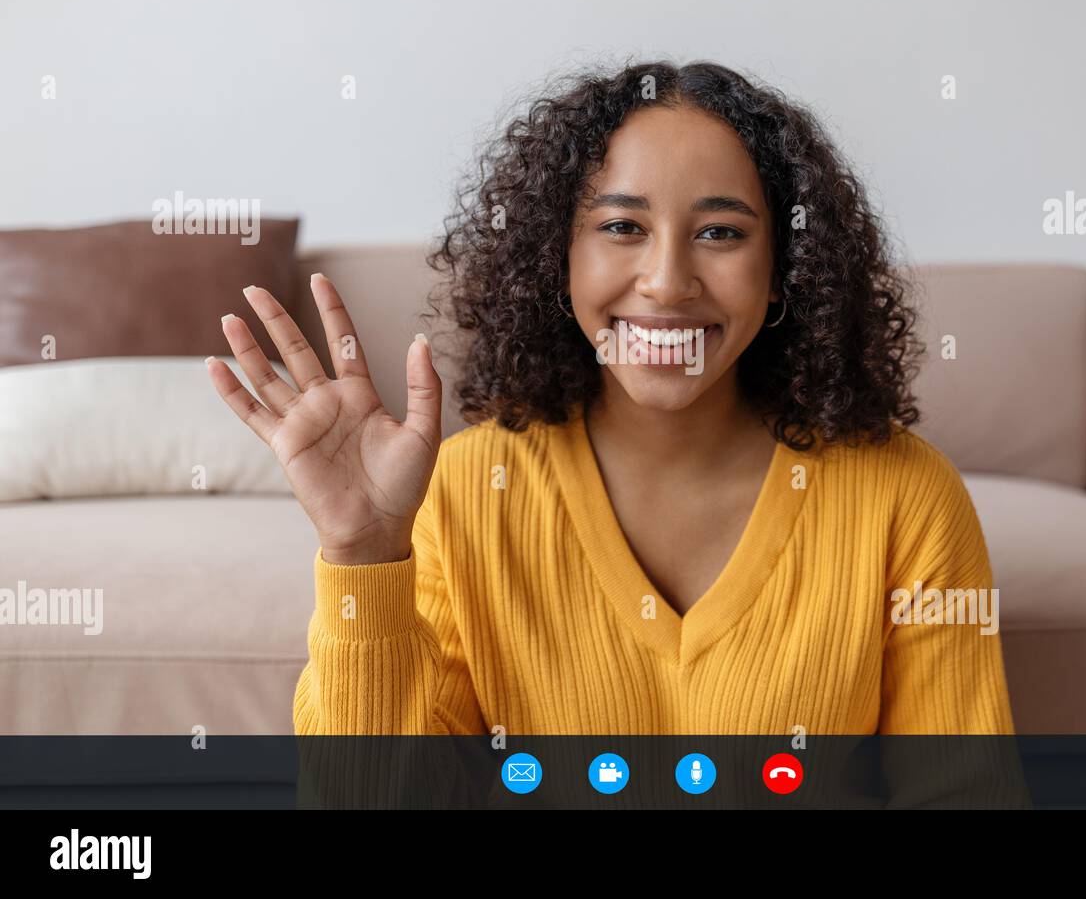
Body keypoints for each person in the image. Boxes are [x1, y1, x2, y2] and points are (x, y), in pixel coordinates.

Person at [205, 60, 1017, 743]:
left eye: (722, 233)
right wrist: (362, 553)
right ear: (558, 260)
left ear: (785, 272)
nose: (666, 281)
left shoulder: (906, 497)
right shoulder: (461, 491)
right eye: (623, 227)